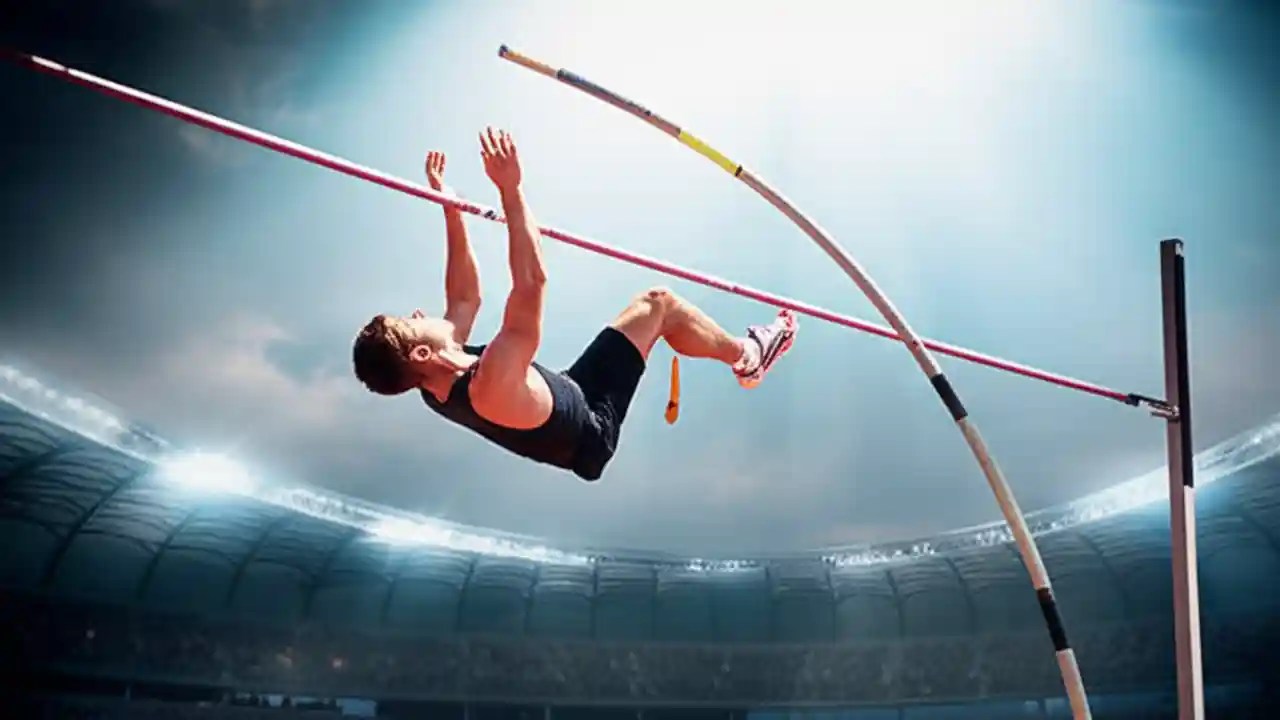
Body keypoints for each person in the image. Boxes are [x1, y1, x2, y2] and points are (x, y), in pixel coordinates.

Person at [352, 128, 797, 481]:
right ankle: (748, 358)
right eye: (410, 324)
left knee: (657, 304)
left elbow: (465, 297)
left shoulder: (435, 376)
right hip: (590, 426)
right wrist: (510, 189)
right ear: (421, 353)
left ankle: (741, 355)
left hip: (569, 389)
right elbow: (530, 283)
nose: (416, 313)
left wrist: (451, 210)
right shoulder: (490, 384)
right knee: (660, 305)